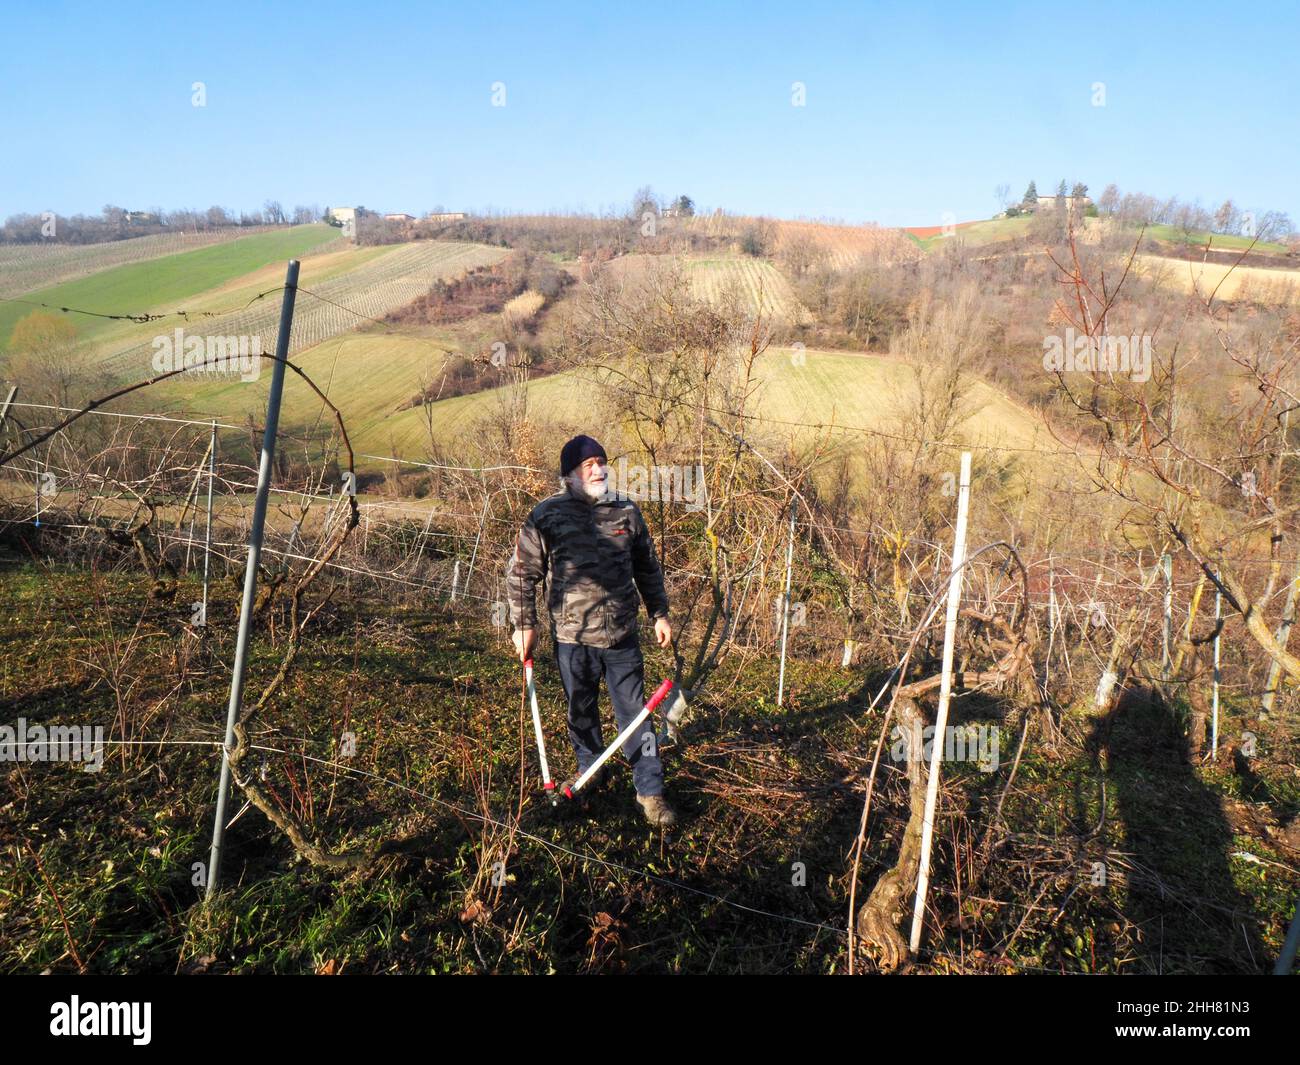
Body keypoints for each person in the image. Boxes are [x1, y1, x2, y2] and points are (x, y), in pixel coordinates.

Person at [505, 434, 678, 827]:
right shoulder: (546, 516)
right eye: (588, 465)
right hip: (572, 640)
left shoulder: (626, 512)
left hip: (622, 637)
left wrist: (660, 614)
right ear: (570, 475)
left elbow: (647, 568)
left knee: (636, 717)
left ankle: (650, 793)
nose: (598, 469)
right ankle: (591, 770)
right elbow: (521, 575)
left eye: (601, 462)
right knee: (580, 711)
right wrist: (524, 625)